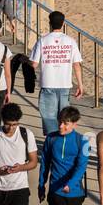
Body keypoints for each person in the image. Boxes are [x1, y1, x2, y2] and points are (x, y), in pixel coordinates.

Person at [29, 10, 84, 138]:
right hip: (64, 85)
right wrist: (80, 85)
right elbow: (76, 64)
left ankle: (52, 142)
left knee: (49, 118)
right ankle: (62, 142)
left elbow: (34, 64)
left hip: (48, 83)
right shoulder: (70, 41)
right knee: (64, 119)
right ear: (63, 23)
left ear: (50, 23)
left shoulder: (43, 40)